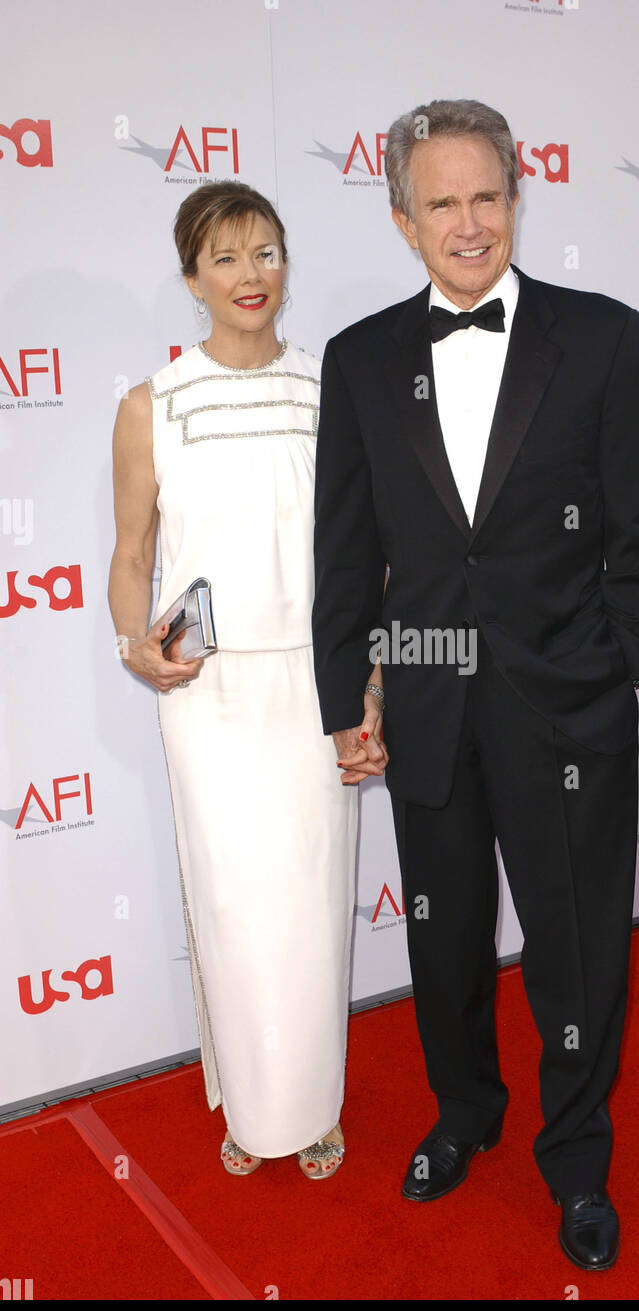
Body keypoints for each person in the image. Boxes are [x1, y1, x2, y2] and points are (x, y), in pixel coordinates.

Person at [311, 100, 639, 1265]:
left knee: (575, 948)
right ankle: (463, 1111)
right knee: (444, 934)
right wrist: (343, 697)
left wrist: (617, 662)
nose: (469, 223)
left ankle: (575, 1160)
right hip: (425, 698)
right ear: (401, 220)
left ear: (516, 198)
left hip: (568, 698)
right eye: (442, 203)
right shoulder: (360, 358)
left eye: (487, 196)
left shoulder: (604, 336)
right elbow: (344, 547)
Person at [108, 181, 368, 1180]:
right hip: (207, 698)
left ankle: (314, 1105)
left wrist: (370, 687)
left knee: (308, 901)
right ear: (191, 278)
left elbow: (365, 558)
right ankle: (255, 1110)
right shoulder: (152, 404)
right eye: (225, 256)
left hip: (314, 685)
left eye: (266, 252)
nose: (250, 274)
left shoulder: (329, 390)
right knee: (234, 902)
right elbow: (132, 555)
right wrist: (136, 643)